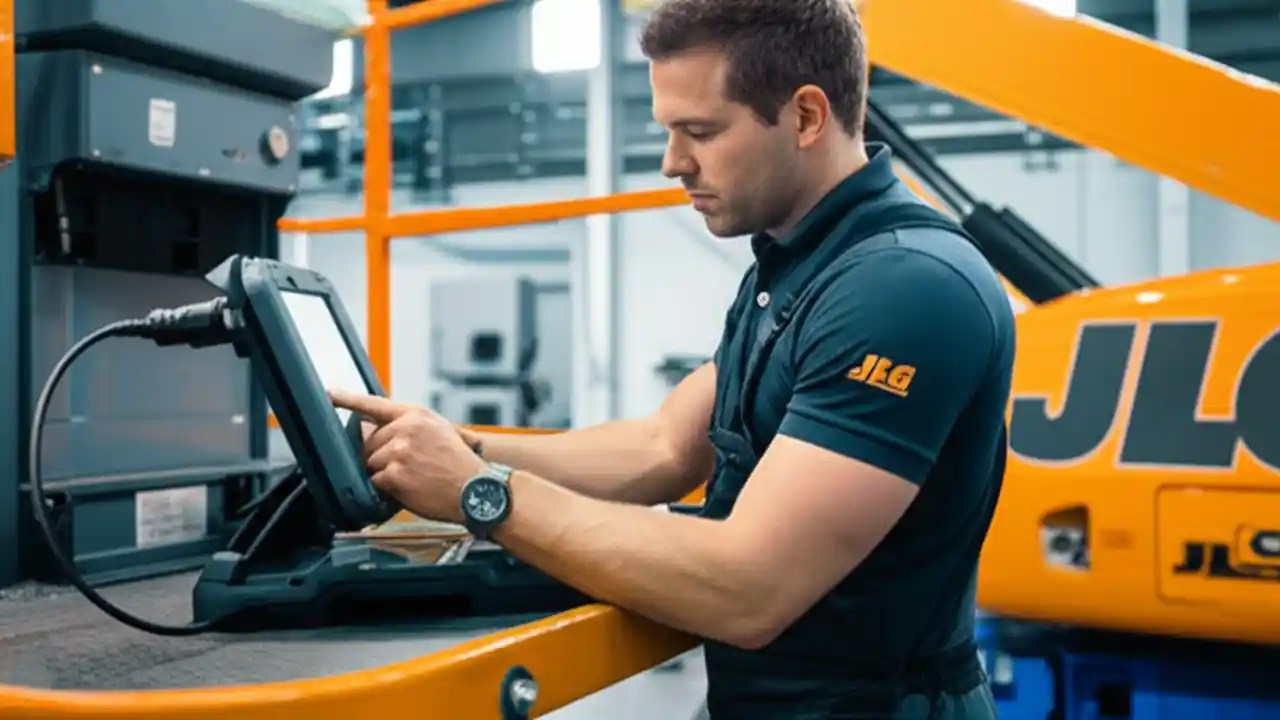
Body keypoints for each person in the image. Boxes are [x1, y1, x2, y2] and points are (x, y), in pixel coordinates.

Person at [329, 0, 1015, 717]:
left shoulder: (904, 286)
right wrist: (451, 448)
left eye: (700, 132)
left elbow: (752, 588)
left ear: (808, 117)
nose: (671, 162)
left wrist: (482, 493)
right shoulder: (797, 267)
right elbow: (664, 449)